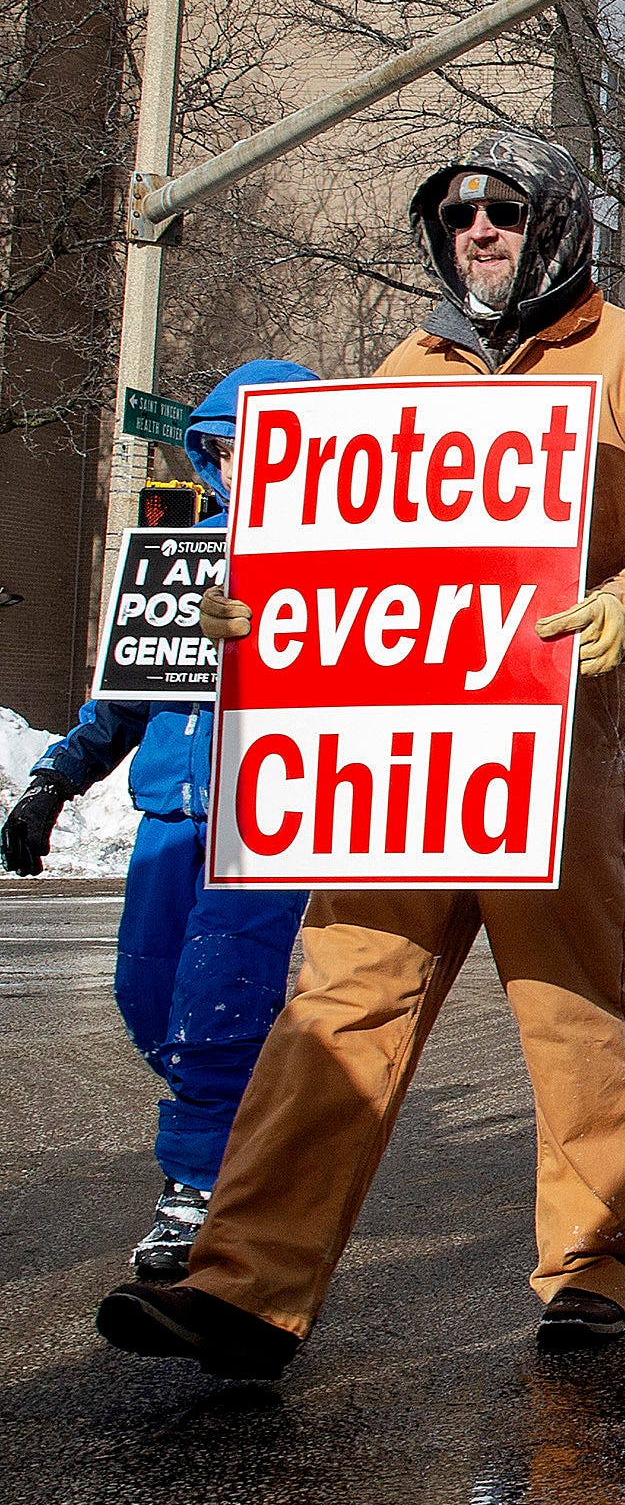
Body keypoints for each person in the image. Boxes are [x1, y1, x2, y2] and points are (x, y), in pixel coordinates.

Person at [101, 132, 625, 1377]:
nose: (477, 233)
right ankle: (243, 1288)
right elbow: (349, 538)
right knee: (336, 1004)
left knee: (573, 1014)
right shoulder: (409, 365)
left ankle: (592, 1270)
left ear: (555, 219)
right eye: (453, 217)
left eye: (502, 211)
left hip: (560, 751)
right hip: (400, 756)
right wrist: (269, 610)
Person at [5, 360, 319, 1277]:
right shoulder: (183, 555)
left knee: (214, 1006)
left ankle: (194, 1195)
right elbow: (124, 696)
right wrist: (53, 781)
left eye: (257, 445)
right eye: (220, 447)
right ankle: (244, 1125)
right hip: (167, 818)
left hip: (262, 821)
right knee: (146, 1000)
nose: (235, 463)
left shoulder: (332, 557)